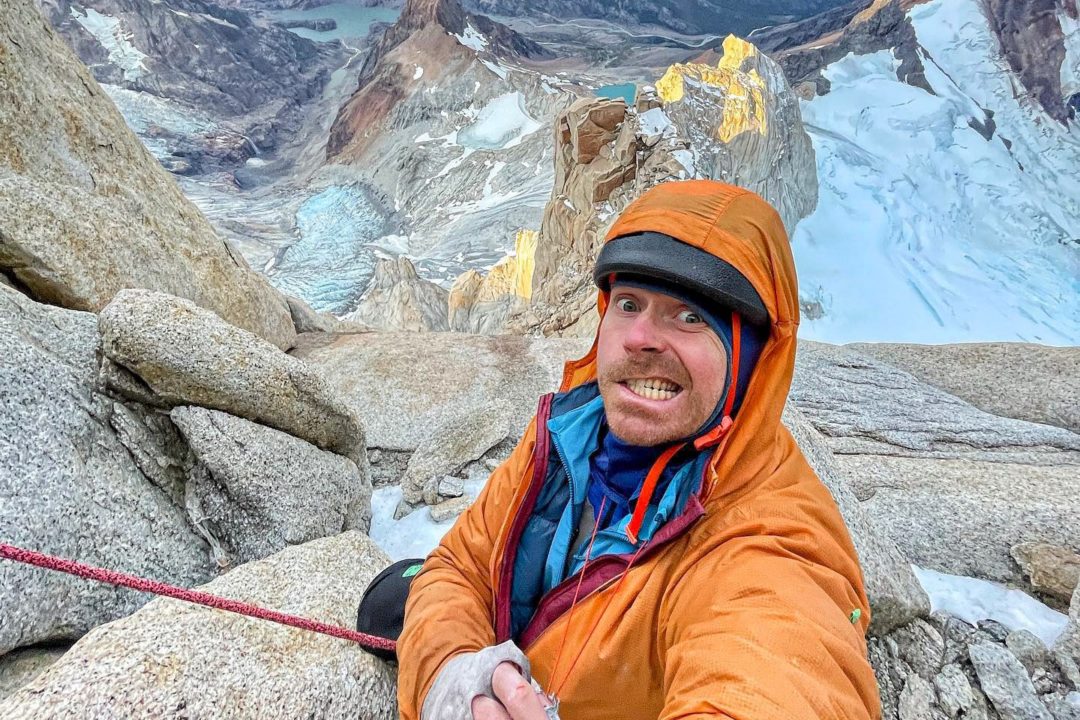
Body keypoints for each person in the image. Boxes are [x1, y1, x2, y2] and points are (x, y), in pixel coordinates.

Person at [396, 180, 881, 720]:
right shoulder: (567, 438)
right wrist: (451, 672)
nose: (640, 338)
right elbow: (459, 568)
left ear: (749, 359)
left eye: (690, 316)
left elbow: (773, 673)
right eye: (629, 304)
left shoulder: (770, 540)